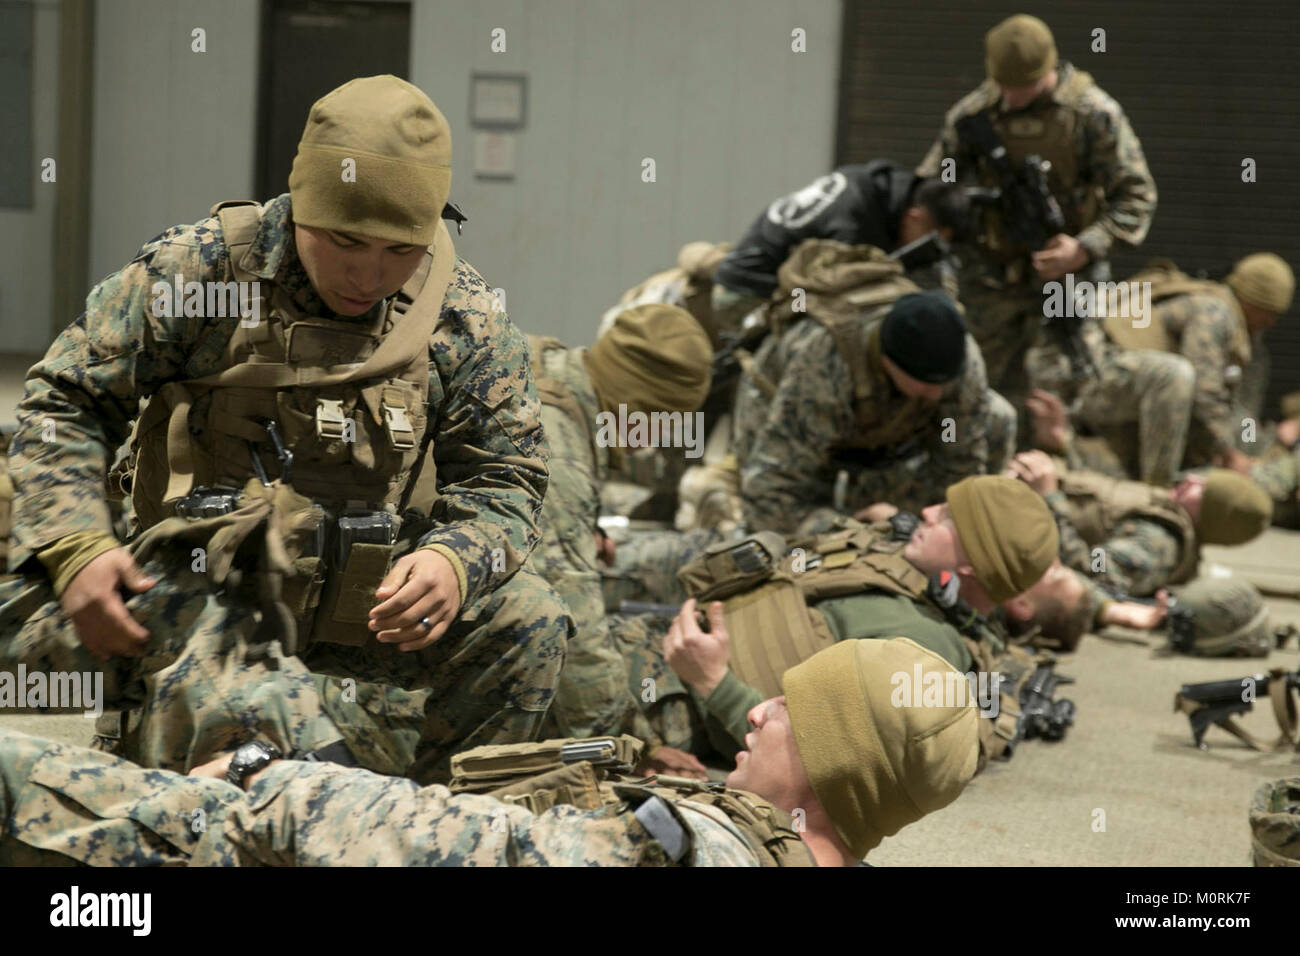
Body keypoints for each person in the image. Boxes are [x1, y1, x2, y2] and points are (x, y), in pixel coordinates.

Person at [0, 75, 569, 784]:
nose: (368, 273)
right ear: (302, 200)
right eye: (345, 240)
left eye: (401, 250)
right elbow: (66, 400)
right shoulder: (202, 270)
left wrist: (456, 559)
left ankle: (438, 828)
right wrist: (77, 546)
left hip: (358, 600)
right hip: (199, 595)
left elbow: (505, 474)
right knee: (259, 768)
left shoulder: (463, 314)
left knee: (529, 622)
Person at [0, 637, 980, 867]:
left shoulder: (701, 847)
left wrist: (266, 775)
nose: (759, 709)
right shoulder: (760, 837)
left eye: (793, 711)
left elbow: (459, 845)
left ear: (838, 765)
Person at [615, 476, 1089, 767]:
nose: (926, 511)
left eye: (946, 518)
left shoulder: (921, 650)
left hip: (671, 705)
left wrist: (714, 680)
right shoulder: (901, 568)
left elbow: (818, 761)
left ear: (972, 565)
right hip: (659, 650)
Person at [917, 14, 1157, 429]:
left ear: (1049, 71)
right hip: (991, 280)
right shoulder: (974, 116)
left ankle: (1065, 479)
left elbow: (1138, 196)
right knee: (967, 389)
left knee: (1071, 390)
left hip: (1068, 280)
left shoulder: (1093, 114)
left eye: (1022, 87)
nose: (1010, 97)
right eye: (1003, 86)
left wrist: (1083, 247)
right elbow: (934, 186)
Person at [525, 305, 712, 747]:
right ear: (639, 407)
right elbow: (575, 629)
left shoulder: (550, 366)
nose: (655, 442)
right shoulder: (560, 449)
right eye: (661, 423)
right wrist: (632, 745)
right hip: (404, 689)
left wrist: (579, 532)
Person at [734, 269, 1015, 533]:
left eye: (944, 384)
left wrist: (941, 527)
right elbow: (772, 490)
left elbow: (960, 463)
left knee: (997, 416)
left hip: (884, 430)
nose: (937, 395)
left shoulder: (961, 362)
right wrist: (852, 533)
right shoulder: (827, 363)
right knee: (774, 523)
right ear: (888, 363)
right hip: (791, 418)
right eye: (927, 385)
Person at [1006, 451, 1272, 623]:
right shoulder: (1163, 505)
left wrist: (1049, 499)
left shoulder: (1159, 543)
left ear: (1209, 517)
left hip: (1013, 518)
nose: (1191, 479)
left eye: (1202, 490)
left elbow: (1095, 570)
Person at [711, 163, 970, 330]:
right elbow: (838, 296)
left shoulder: (877, 187)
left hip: (757, 277)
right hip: (747, 293)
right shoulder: (854, 227)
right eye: (928, 237)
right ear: (915, 216)